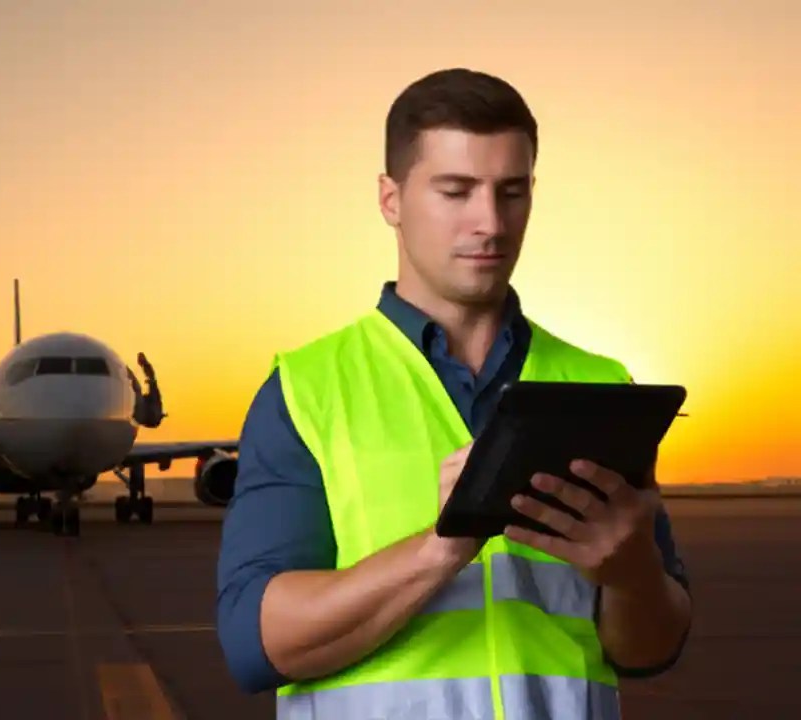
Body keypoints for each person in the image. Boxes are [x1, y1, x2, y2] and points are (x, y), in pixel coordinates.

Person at [215, 68, 692, 719]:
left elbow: (650, 651)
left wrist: (632, 572)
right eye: (456, 191)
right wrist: (439, 550)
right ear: (391, 199)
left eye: (511, 192)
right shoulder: (306, 388)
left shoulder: (600, 385)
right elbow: (256, 641)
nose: (490, 222)